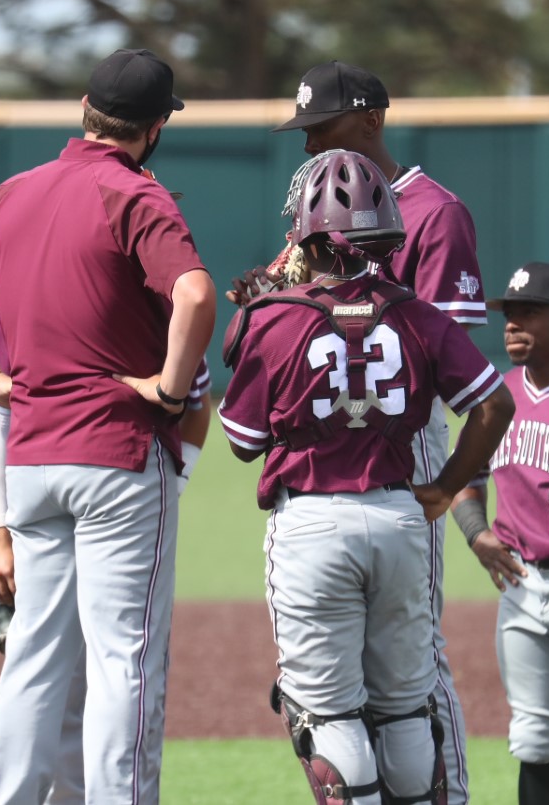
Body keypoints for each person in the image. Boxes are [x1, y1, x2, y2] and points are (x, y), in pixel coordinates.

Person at [0, 47, 216, 805]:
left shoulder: (17, 191)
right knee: (125, 658)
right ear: (153, 129)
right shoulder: (136, 194)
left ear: (84, 106)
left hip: (32, 456)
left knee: (34, 658)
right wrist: (173, 394)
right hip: (116, 452)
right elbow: (196, 294)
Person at [220, 149, 514, 805]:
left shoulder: (277, 317)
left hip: (313, 522)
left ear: (308, 229)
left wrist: (252, 326)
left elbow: (241, 441)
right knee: (408, 708)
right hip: (401, 517)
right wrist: (448, 484)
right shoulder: (415, 311)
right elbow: (495, 404)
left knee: (329, 717)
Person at [270, 60, 487, 803]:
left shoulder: (434, 211)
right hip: (335, 458)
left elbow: (447, 363)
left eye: (319, 129)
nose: (307, 148)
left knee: (416, 663)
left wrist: (456, 487)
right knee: (348, 676)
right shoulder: (319, 201)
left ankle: (447, 792)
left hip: (409, 445)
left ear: (370, 121)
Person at [0, 313, 213, 805]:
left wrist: (173, 488)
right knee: (115, 666)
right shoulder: (159, 288)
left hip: (61, 488)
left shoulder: (152, 293)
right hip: (93, 488)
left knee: (48, 668)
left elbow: (197, 407)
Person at [450, 262, 549, 805]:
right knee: (534, 739)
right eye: (509, 315)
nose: (512, 326)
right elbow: (464, 477)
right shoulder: (499, 396)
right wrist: (476, 533)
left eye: (529, 313)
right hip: (521, 588)